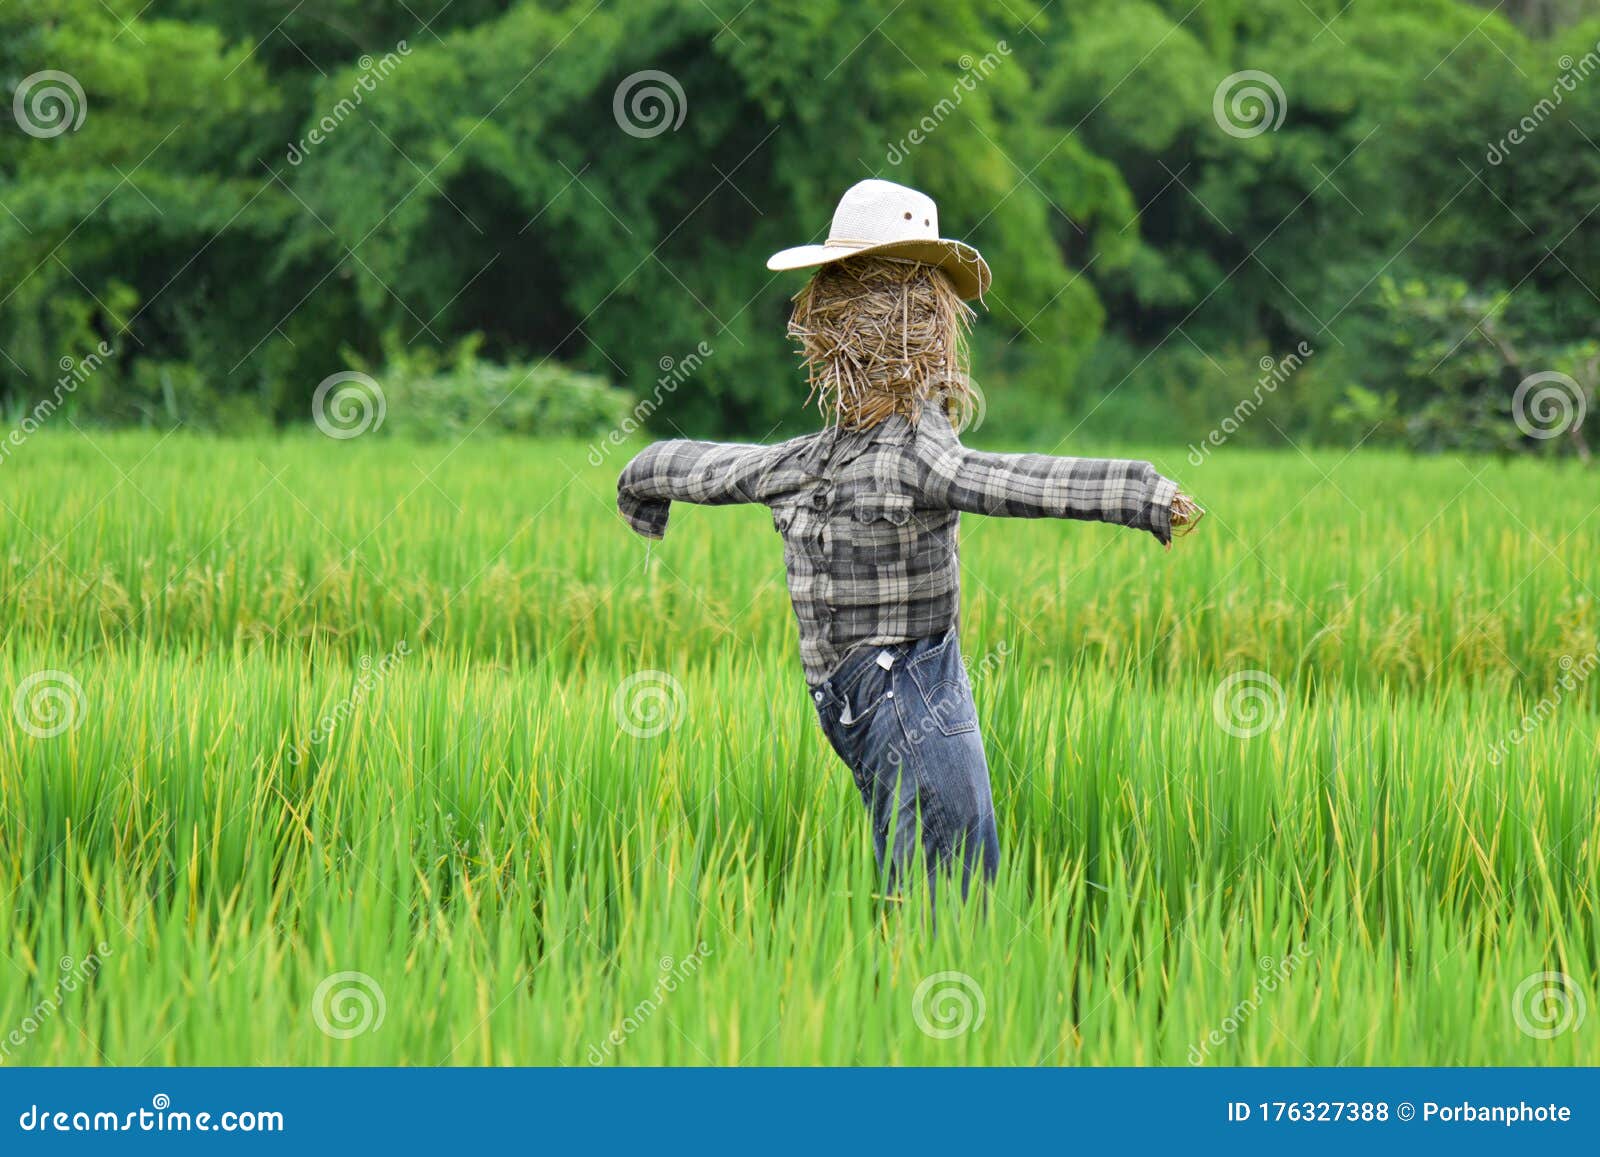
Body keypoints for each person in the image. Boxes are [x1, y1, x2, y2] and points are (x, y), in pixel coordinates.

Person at [617, 179, 1202, 899]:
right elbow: (727, 467)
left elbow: (1010, 480)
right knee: (938, 904)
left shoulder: (866, 456)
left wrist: (1143, 493)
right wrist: (642, 479)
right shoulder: (861, 455)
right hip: (888, 702)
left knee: (929, 900)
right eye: (858, 286)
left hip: (878, 701)